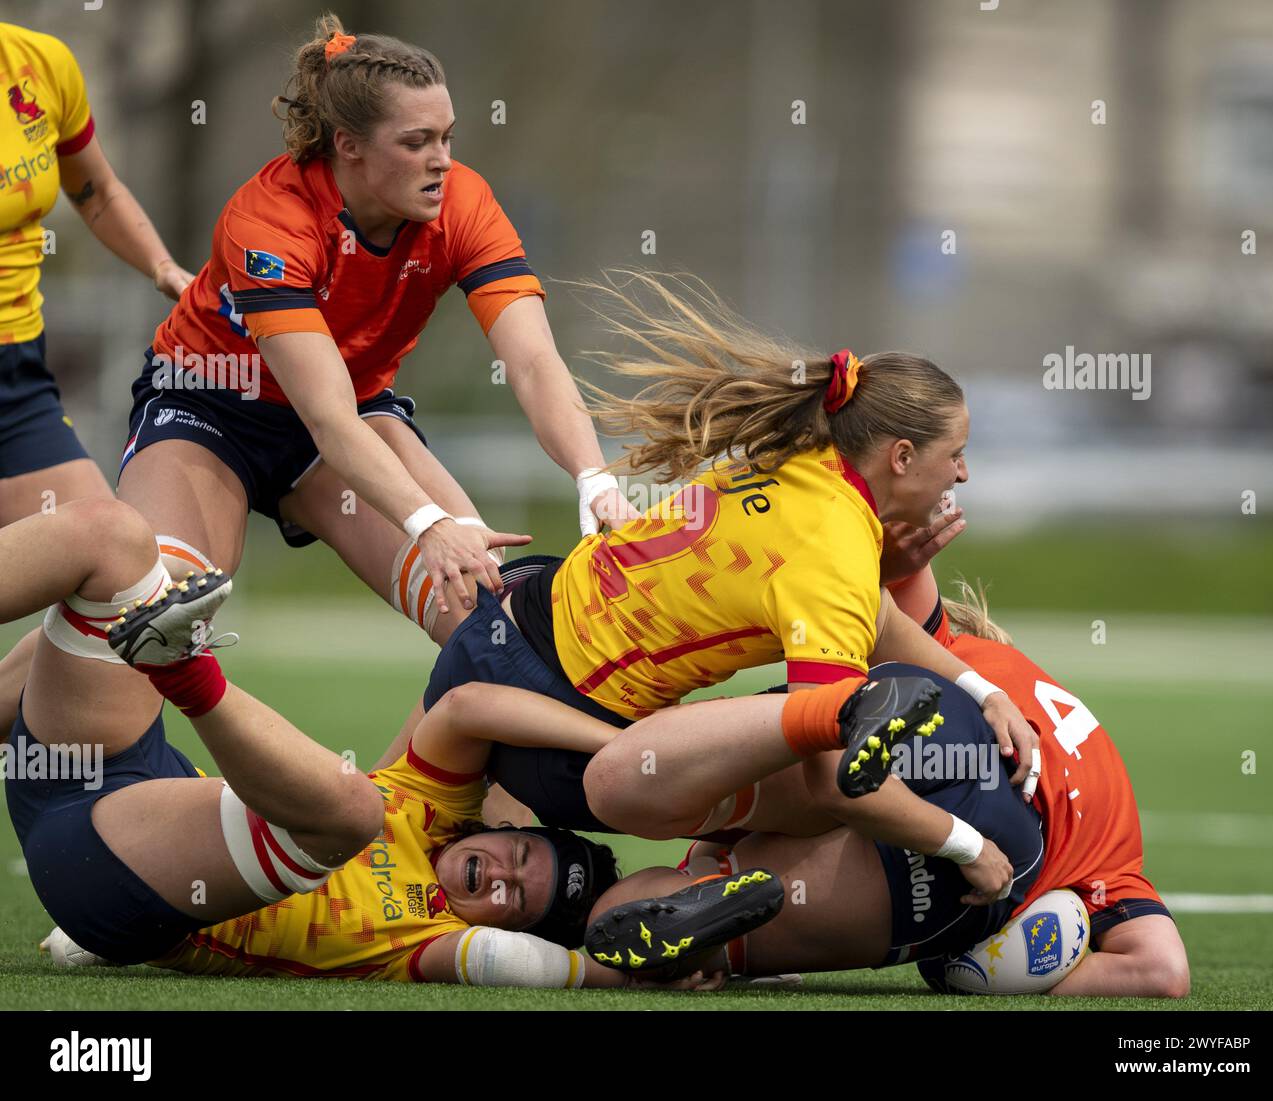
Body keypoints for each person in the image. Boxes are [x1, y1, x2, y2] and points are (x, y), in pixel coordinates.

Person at [415, 271, 1039, 830]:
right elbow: (835, 786)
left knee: (408, 827)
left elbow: (870, 616)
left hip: (506, 617)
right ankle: (731, 895)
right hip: (556, 736)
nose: (962, 474)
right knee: (811, 771)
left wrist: (984, 692)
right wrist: (967, 847)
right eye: (955, 453)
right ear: (901, 457)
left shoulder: (799, 453)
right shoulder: (836, 553)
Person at [5, 497, 704, 989]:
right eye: (520, 857)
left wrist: (611, 969)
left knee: (351, 808)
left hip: (114, 877)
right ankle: (165, 658)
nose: (499, 876)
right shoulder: (437, 808)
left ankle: (185, 668)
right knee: (112, 537)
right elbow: (468, 706)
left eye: (513, 898)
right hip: (105, 774)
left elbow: (506, 962)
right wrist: (620, 739)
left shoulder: (428, 942)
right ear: (515, 826)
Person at [114, 12, 636, 646]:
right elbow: (325, 414)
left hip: (355, 413)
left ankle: (405, 755)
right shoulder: (270, 219)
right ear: (348, 145)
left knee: (492, 624)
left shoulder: (463, 203)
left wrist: (594, 476)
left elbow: (530, 362)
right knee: (159, 615)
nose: (442, 162)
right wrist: (427, 524)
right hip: (212, 408)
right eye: (416, 142)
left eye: (448, 138)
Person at [578, 594, 1188, 998]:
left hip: (933, 711)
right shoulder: (1115, 853)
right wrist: (967, 972)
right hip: (999, 848)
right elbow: (1161, 972)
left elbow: (882, 599)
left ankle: (713, 809)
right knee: (636, 924)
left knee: (653, 789)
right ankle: (718, 920)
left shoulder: (975, 656)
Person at [0, 20, 192, 729]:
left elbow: (97, 190)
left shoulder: (41, 63)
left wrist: (165, 269)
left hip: (16, 378)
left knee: (126, 578)